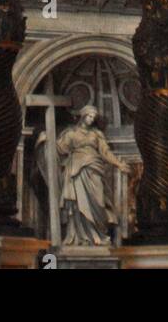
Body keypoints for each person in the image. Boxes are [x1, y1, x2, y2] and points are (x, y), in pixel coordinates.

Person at [56, 105, 130, 246]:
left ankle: (99, 235)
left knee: (99, 201)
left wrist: (118, 164)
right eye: (89, 116)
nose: (91, 119)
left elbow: (105, 152)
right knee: (78, 205)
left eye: (93, 117)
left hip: (94, 168)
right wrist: (46, 139)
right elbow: (59, 149)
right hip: (76, 171)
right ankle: (81, 237)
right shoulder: (71, 133)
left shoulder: (96, 134)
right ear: (83, 116)